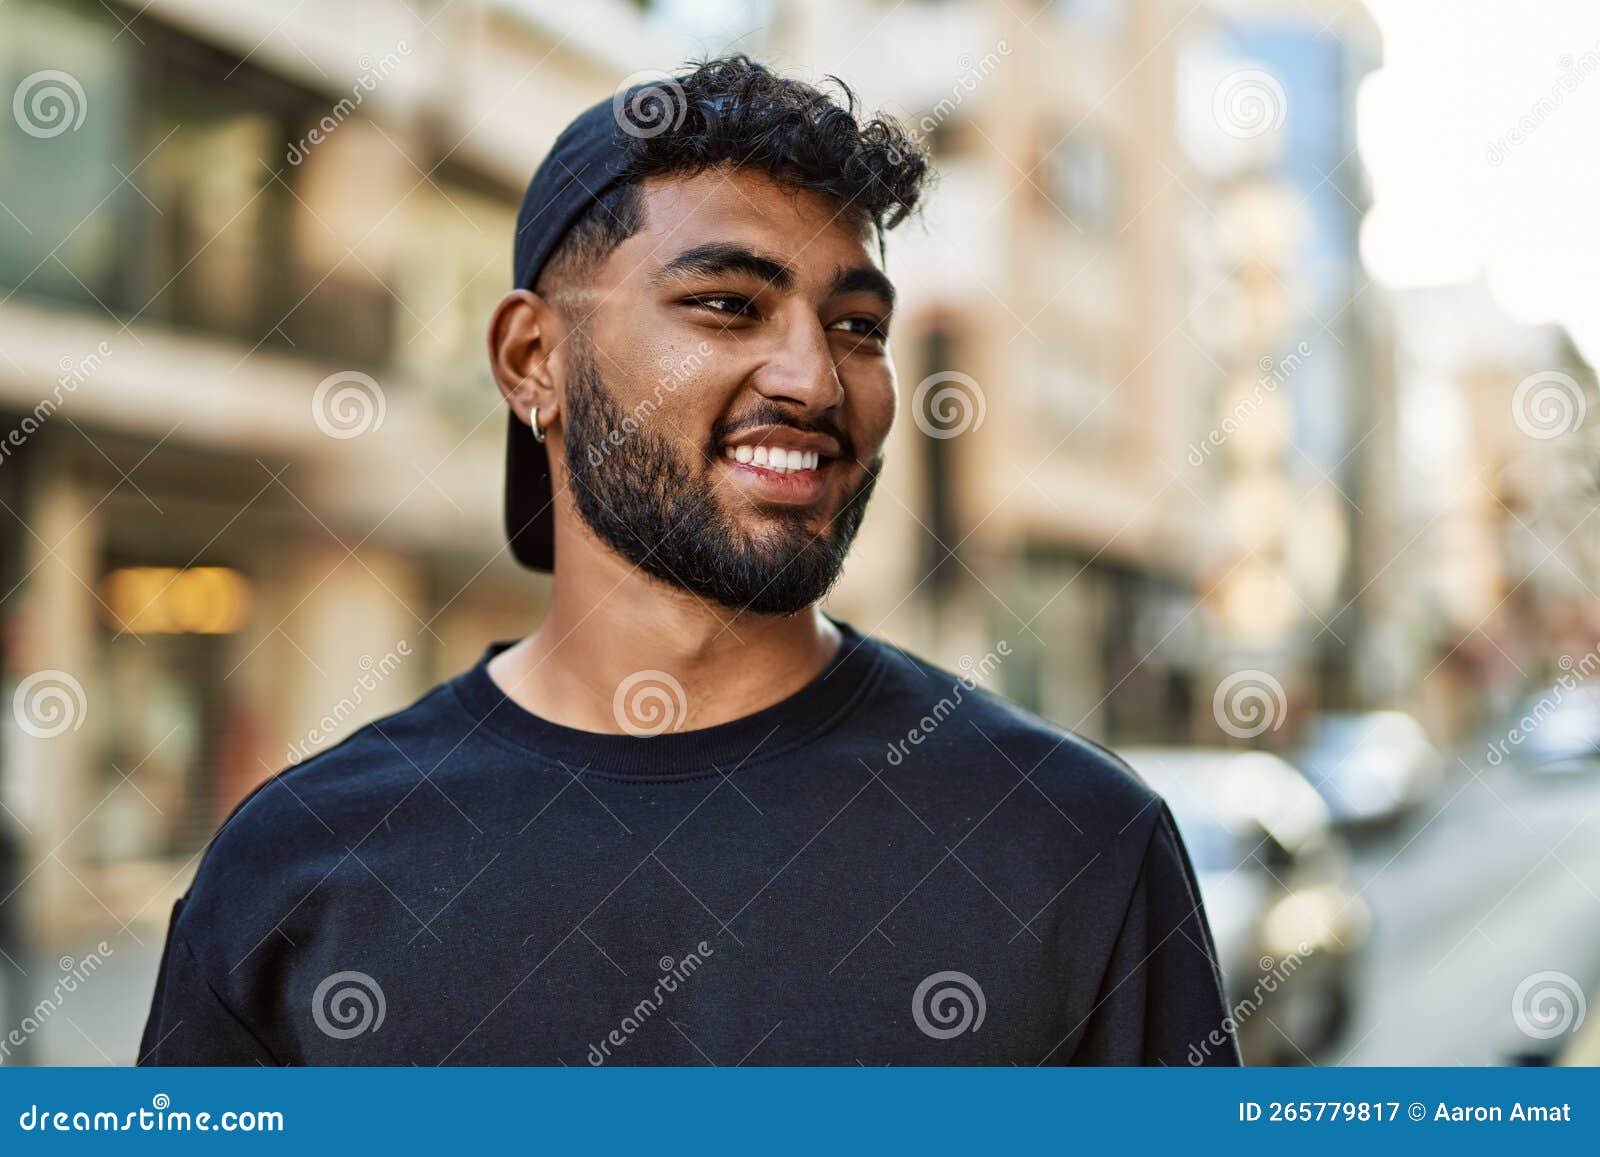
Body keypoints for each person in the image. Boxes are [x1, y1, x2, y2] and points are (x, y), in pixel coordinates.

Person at [139, 56, 1238, 1066]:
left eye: (857, 325)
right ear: (533, 359)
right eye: (727, 305)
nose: (813, 378)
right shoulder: (296, 869)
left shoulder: (1071, 842)